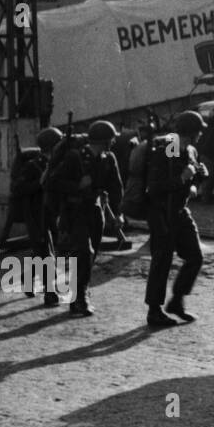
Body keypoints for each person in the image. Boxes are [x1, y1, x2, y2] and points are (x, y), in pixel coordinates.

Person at [47, 121, 123, 317]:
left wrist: (119, 213)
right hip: (75, 210)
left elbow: (116, 187)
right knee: (83, 252)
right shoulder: (75, 157)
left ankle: (79, 295)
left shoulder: (108, 158)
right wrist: (77, 185)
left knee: (91, 255)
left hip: (96, 210)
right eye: (110, 139)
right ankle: (80, 298)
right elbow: (52, 182)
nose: (113, 143)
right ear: (103, 141)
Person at [144, 111, 211, 328]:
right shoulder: (168, 149)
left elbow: (191, 179)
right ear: (190, 132)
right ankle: (154, 311)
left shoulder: (190, 150)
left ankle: (177, 301)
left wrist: (198, 177)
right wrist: (182, 178)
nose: (201, 134)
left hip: (180, 211)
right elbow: (154, 188)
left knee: (195, 256)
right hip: (162, 212)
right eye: (198, 131)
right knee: (161, 261)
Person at [10, 128, 63, 306]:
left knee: (44, 250)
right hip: (35, 214)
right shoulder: (32, 166)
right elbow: (17, 189)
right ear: (51, 147)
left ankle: (27, 277)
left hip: (51, 214)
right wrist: (38, 183)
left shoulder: (59, 164)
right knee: (45, 251)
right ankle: (50, 292)